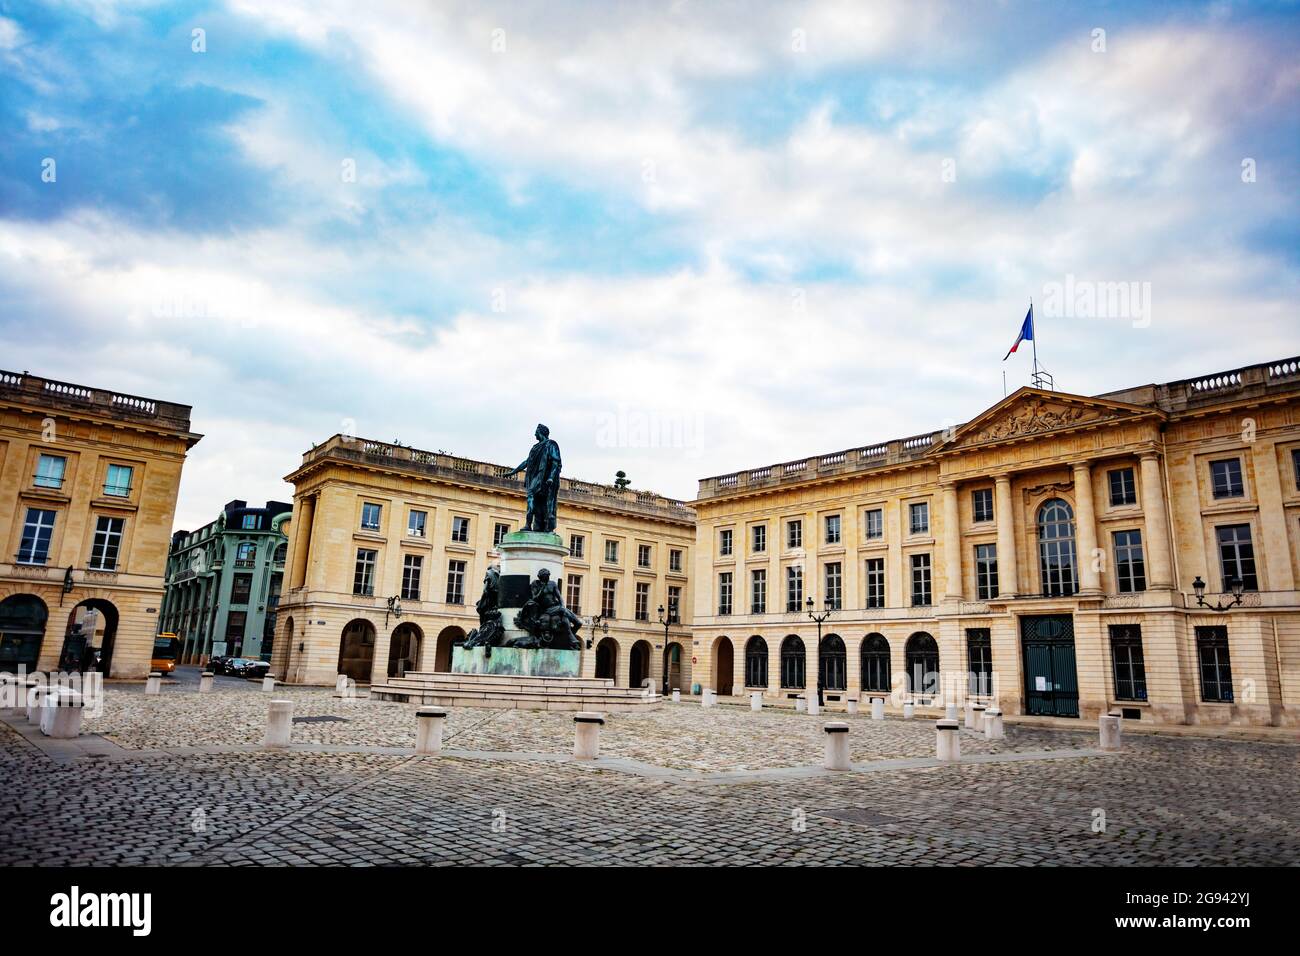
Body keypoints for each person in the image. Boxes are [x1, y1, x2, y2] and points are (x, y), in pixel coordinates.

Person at [510, 424, 562, 532]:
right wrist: (513, 472)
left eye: (536, 432)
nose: (534, 434)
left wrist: (551, 477)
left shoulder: (551, 444)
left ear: (541, 432)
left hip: (546, 479)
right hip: (535, 478)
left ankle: (547, 526)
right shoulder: (535, 448)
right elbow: (527, 462)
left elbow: (555, 462)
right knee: (531, 499)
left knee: (547, 503)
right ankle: (528, 524)